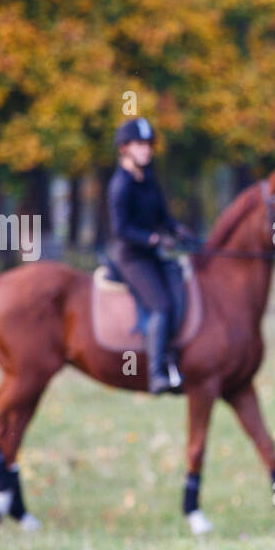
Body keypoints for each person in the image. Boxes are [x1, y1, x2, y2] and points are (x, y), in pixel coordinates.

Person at [107, 117, 194, 394]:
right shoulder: (120, 185)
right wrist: (153, 238)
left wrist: (178, 230)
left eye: (149, 145)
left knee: (180, 289)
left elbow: (162, 216)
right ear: (124, 148)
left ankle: (174, 363)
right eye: (140, 145)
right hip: (131, 257)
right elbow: (121, 229)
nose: (147, 150)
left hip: (153, 254)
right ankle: (156, 374)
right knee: (160, 306)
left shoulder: (148, 179)